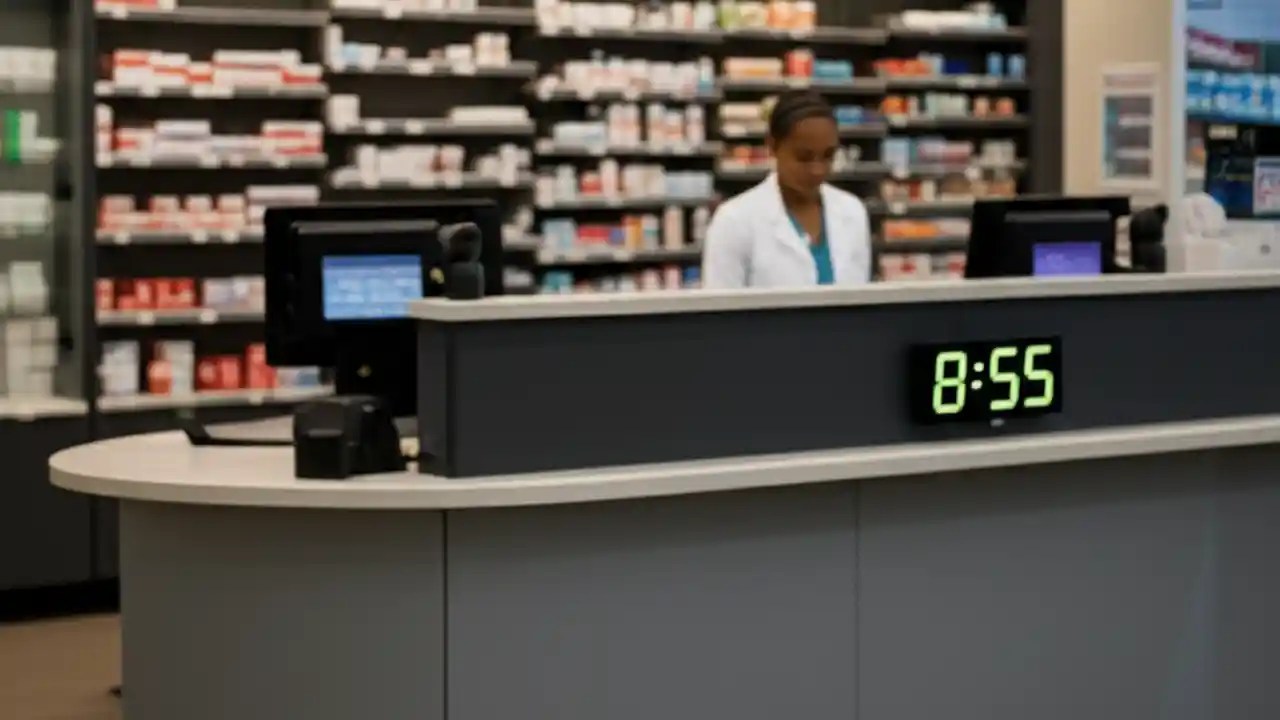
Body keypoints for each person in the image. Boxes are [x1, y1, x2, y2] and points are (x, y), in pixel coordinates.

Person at [703, 90, 872, 289]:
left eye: (828, 156)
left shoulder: (853, 212)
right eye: (803, 157)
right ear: (773, 146)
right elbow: (720, 312)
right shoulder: (734, 220)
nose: (817, 170)